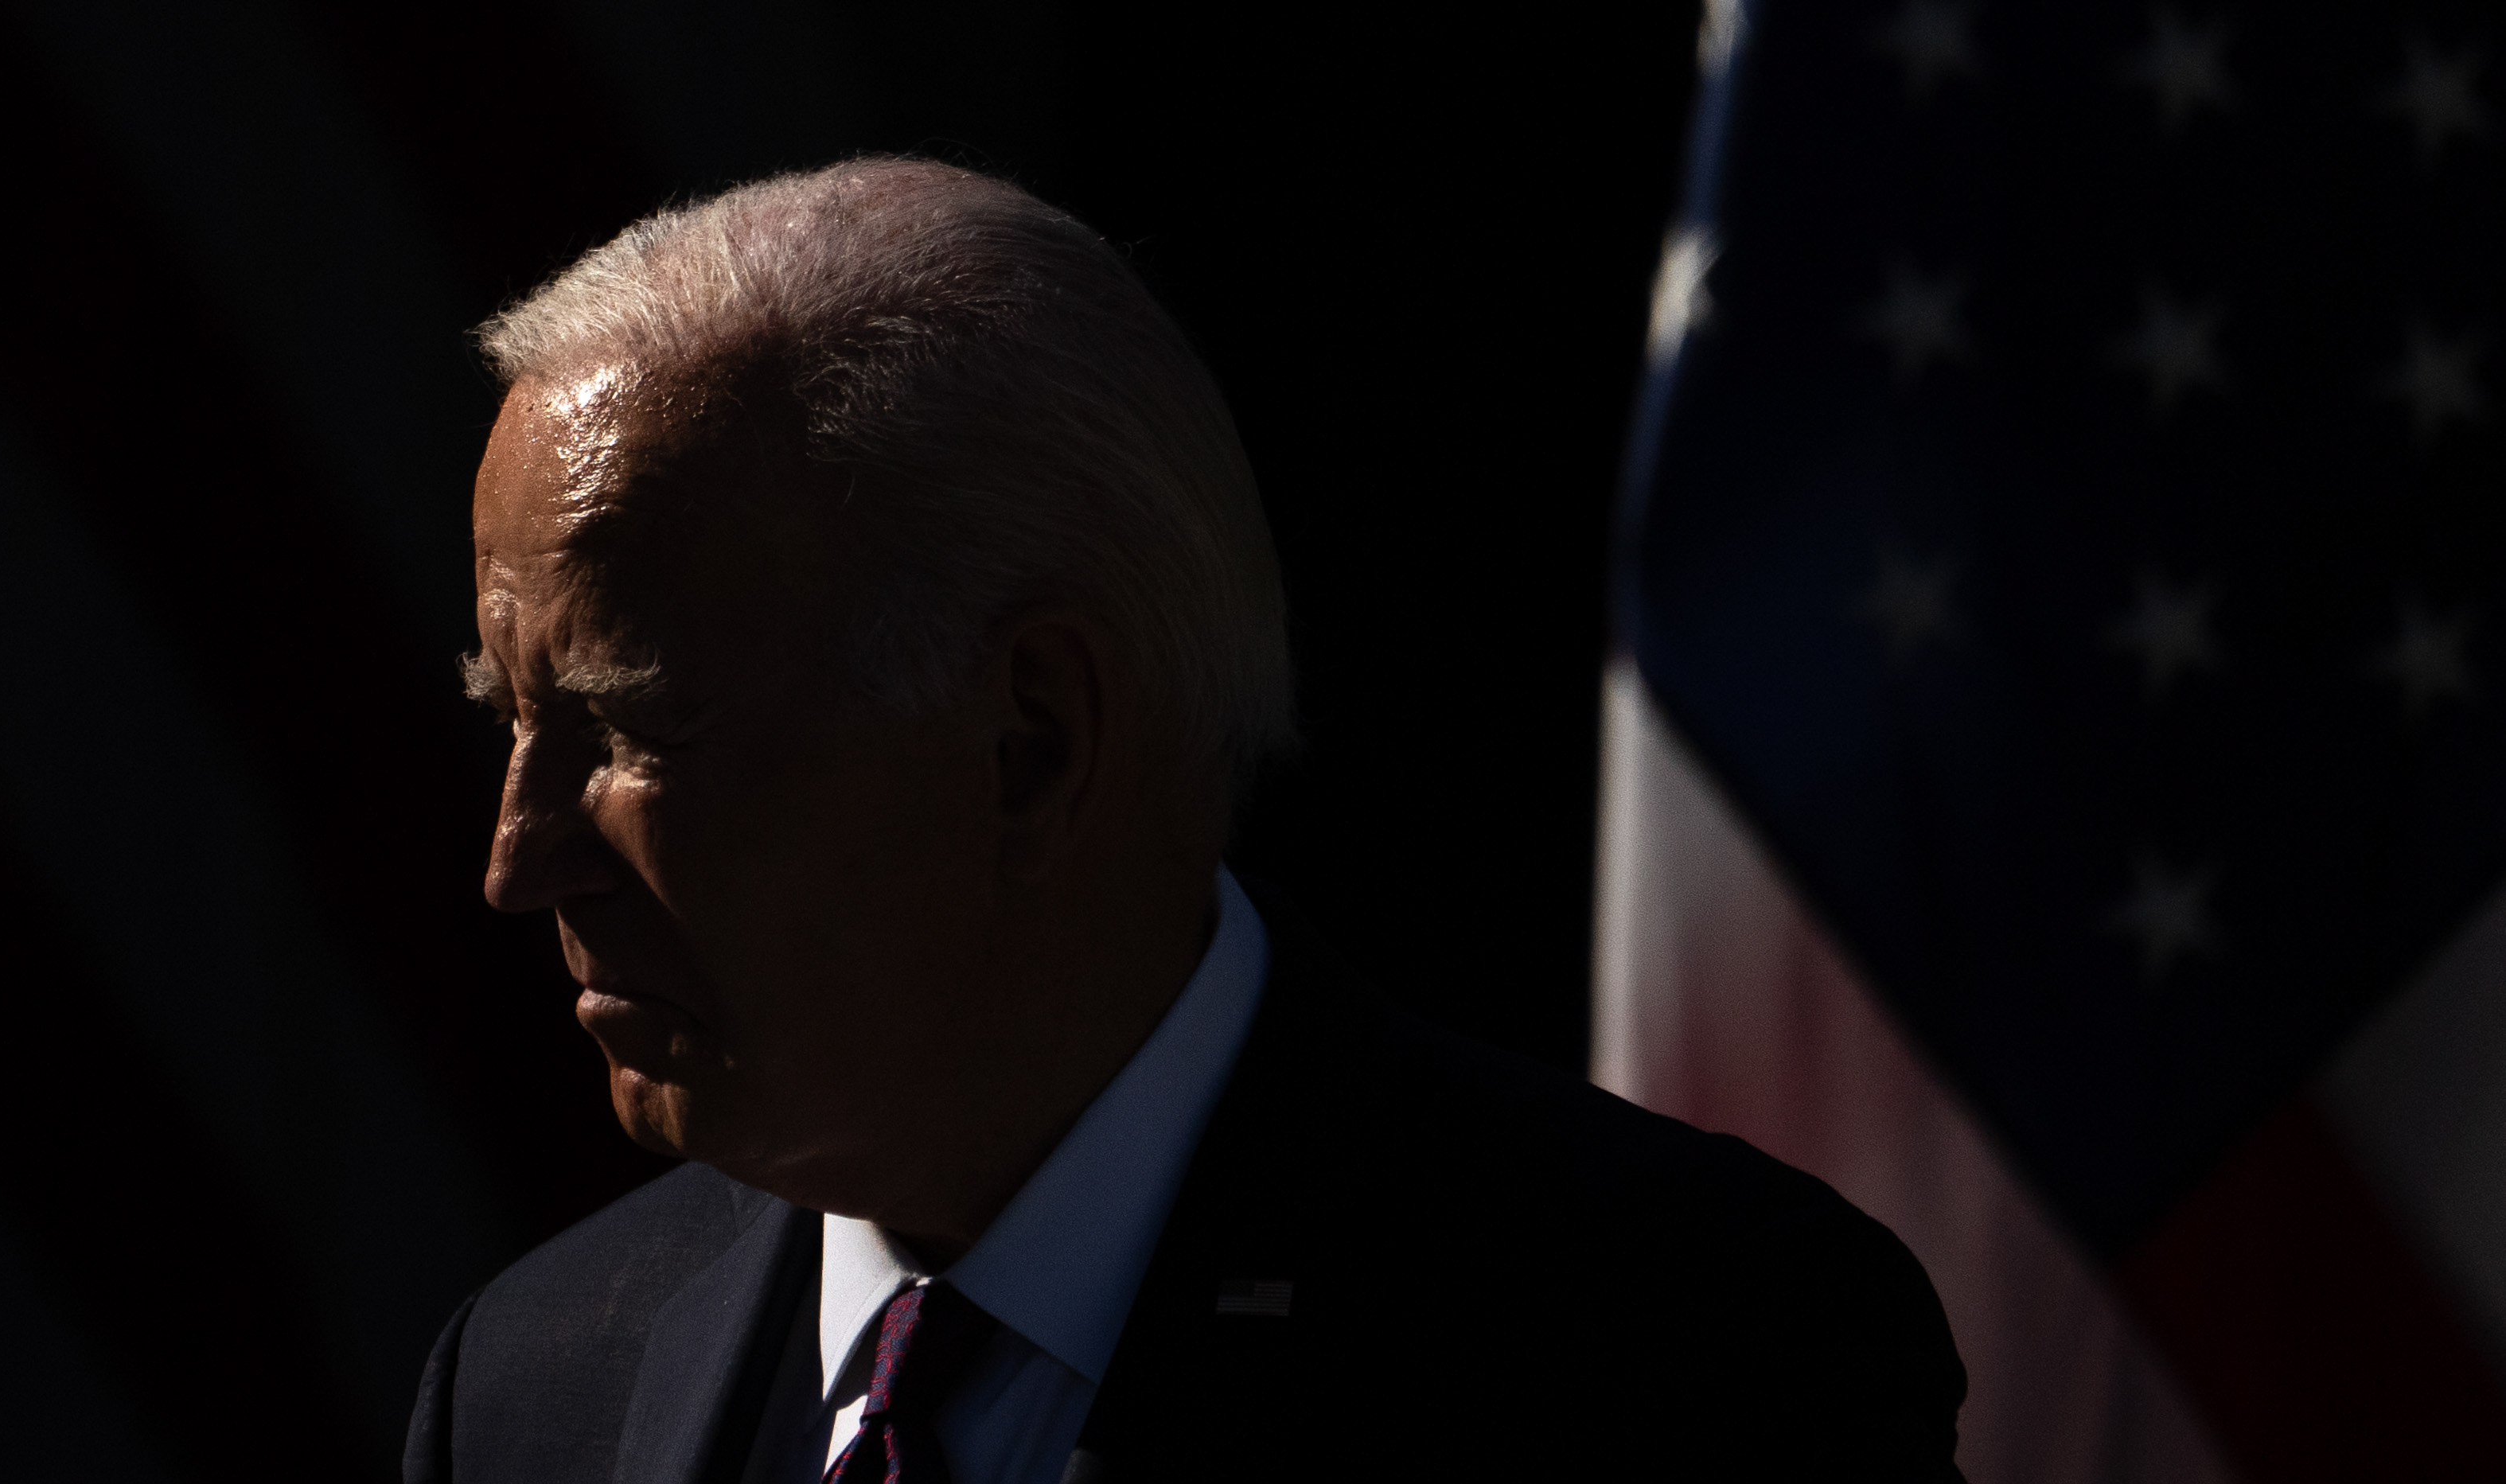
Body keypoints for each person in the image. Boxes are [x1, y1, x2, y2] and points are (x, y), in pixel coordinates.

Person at [405, 158, 1966, 1483]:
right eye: (513, 724)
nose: (515, 858)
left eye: (634, 729)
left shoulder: (1690, 1360)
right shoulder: (532, 1392)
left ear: (1031, 742)